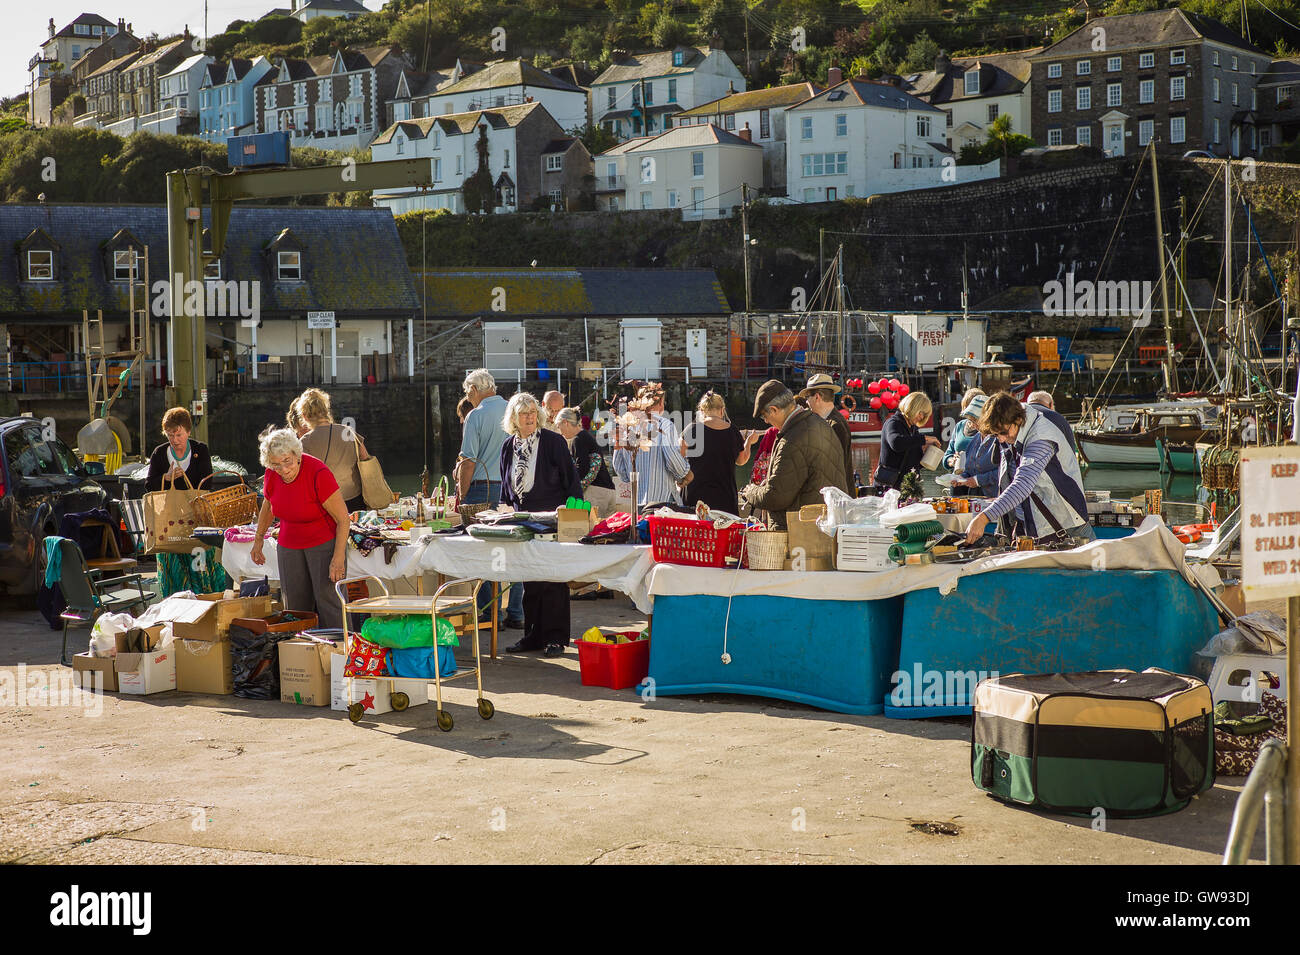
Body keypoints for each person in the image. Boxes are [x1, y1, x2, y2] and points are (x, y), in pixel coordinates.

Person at [499, 393, 580, 657]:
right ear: (514, 418)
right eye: (524, 413)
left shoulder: (553, 442)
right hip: (523, 522)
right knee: (530, 580)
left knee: (553, 581)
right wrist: (502, 515)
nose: (530, 417)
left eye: (533, 411)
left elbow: (573, 484)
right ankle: (532, 636)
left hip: (553, 521)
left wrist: (572, 517)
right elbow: (506, 490)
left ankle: (555, 639)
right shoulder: (508, 446)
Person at [250, 427, 352, 631]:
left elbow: (343, 519)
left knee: (329, 602)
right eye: (276, 465)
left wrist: (338, 557)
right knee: (295, 607)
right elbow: (268, 505)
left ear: (297, 455)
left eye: (287, 461)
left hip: (323, 542)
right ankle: (299, 656)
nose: (283, 469)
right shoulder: (272, 473)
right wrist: (258, 539)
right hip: (289, 543)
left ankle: (341, 654)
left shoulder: (318, 472)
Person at [964, 392, 1093, 546]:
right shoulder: (1010, 426)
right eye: (996, 435)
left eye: (1004, 433)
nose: (1002, 439)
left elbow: (1022, 484)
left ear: (1018, 419)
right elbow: (1007, 478)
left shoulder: (1041, 437)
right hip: (1032, 524)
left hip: (1066, 527)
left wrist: (983, 517)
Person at [455, 369, 524, 628]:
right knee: (514, 550)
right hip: (513, 488)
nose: (468, 397)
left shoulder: (476, 415)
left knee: (480, 550)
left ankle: (489, 611)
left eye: (468, 393)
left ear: (474, 390)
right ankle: (515, 612)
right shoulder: (514, 411)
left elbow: (469, 460)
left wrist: (462, 493)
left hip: (481, 489)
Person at [740, 380, 848, 530]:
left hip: (803, 532)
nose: (766, 422)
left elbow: (776, 496)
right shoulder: (820, 423)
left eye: (765, 417)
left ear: (774, 410)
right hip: (826, 523)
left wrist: (750, 491)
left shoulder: (792, 439)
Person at [146, 407, 225, 596]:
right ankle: (175, 600)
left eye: (179, 434)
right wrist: (166, 477)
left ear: (188, 432)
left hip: (195, 516)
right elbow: (149, 486)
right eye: (170, 435)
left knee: (201, 559)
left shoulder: (200, 450)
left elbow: (208, 483)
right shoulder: (159, 453)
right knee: (173, 563)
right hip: (169, 521)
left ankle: (205, 596)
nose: (174, 440)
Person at [612, 385, 690, 509]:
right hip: (662, 503)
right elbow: (674, 461)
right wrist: (685, 471)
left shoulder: (625, 426)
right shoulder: (664, 425)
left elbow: (620, 470)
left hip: (636, 505)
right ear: (660, 403)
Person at [295, 388, 369, 513]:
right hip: (354, 499)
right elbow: (366, 459)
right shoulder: (348, 431)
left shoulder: (305, 441)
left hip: (325, 503)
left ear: (304, 416)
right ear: (326, 411)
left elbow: (301, 476)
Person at [680, 391, 750, 514]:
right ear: (722, 410)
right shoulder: (733, 432)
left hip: (695, 495)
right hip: (725, 496)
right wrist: (749, 442)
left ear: (701, 411)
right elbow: (741, 460)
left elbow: (678, 456)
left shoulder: (692, 429)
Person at [800, 373, 855, 494]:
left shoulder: (835, 425)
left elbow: (834, 469)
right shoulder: (831, 421)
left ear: (817, 397)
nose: (806, 402)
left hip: (838, 497)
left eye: (807, 397)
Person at [874, 391, 941, 491]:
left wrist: (927, 452)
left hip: (910, 486)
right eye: (921, 413)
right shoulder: (893, 423)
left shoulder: (913, 429)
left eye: (924, 415)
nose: (922, 417)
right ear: (913, 407)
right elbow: (896, 443)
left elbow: (914, 461)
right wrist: (924, 439)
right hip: (891, 486)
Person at [555, 407, 617, 514]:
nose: (560, 432)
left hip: (595, 492)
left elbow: (581, 470)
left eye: (559, 426)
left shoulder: (578, 440)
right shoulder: (586, 436)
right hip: (608, 490)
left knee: (591, 528)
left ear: (565, 422)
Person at [952, 396, 1001, 498]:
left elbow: (1007, 471)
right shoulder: (976, 439)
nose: (972, 425)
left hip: (997, 498)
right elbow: (970, 470)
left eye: (975, 420)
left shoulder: (1000, 439)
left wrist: (978, 480)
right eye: (970, 420)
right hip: (977, 498)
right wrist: (961, 478)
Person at [942, 388, 986, 495]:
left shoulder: (986, 429)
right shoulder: (960, 426)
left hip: (978, 482)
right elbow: (947, 454)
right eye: (966, 407)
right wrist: (951, 460)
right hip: (958, 479)